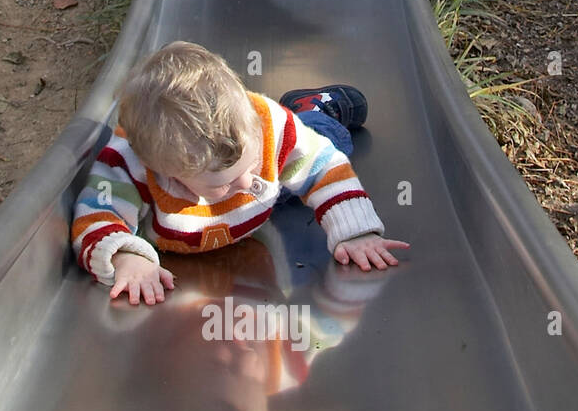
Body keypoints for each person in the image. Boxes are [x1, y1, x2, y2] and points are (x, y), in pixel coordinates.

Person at [70, 40, 409, 305]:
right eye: (225, 182)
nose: (244, 183)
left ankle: (312, 107)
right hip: (229, 204)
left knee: (329, 141)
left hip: (273, 181)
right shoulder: (134, 165)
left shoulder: (264, 130)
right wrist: (127, 255)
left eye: (244, 168)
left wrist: (354, 232)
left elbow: (323, 165)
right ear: (167, 172)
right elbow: (99, 214)